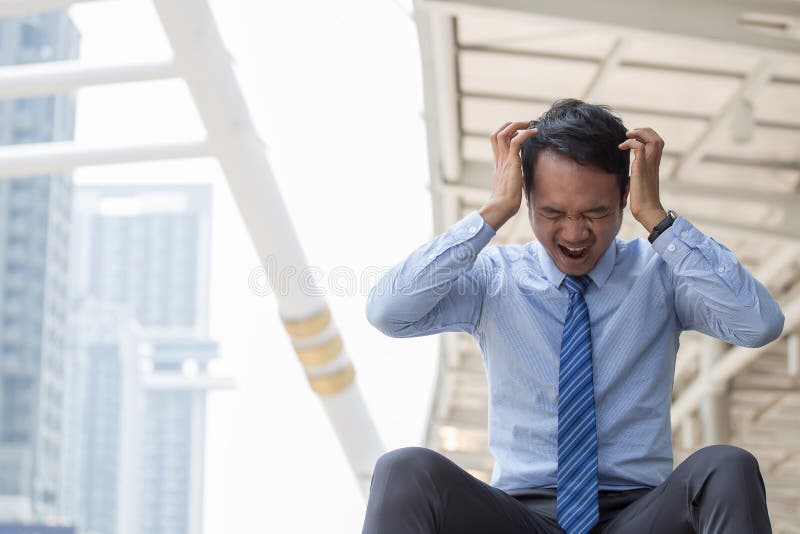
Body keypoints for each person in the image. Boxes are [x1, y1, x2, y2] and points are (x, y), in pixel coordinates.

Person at [362, 99, 785, 534]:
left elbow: (759, 324)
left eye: (596, 213)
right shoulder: (495, 279)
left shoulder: (662, 275)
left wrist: (659, 221)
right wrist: (491, 213)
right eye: (552, 213)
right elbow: (388, 312)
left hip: (638, 518)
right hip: (521, 518)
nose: (574, 233)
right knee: (404, 470)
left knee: (727, 467)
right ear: (526, 198)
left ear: (625, 196)